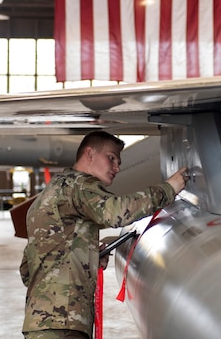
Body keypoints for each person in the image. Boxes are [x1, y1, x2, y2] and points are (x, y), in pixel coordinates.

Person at [20, 130, 187, 339]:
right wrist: (169, 189)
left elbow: (28, 269)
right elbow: (115, 213)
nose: (117, 167)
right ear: (89, 154)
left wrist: (85, 256)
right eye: (111, 158)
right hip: (63, 323)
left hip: (42, 321)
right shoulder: (79, 186)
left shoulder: (54, 191)